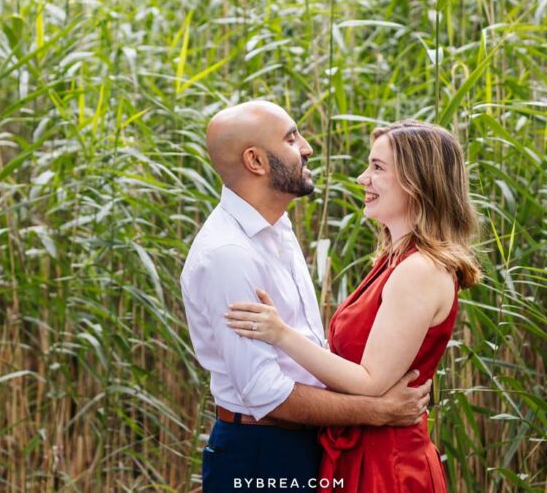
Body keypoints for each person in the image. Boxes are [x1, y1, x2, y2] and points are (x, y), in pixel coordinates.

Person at [181, 102, 433, 492]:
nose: (307, 147)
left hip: (305, 442)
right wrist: (378, 411)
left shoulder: (277, 226)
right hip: (261, 454)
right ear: (255, 161)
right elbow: (266, 393)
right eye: (291, 138)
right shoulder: (228, 255)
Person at [225, 120, 481, 492]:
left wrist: (281, 334)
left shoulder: (420, 270)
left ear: (417, 181)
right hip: (365, 451)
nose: (363, 178)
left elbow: (371, 382)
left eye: (377, 168)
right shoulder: (395, 261)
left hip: (388, 466)